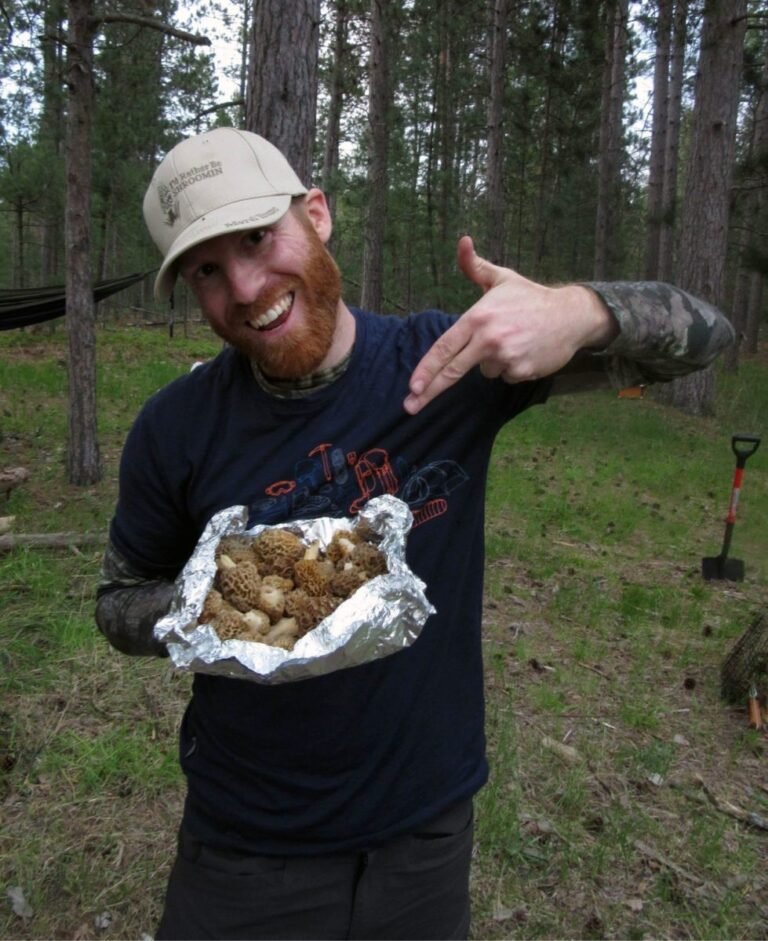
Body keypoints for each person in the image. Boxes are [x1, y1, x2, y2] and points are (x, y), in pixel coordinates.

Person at [96, 127, 734, 941]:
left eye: (259, 237)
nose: (248, 286)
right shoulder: (175, 430)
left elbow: (709, 337)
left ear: (317, 214)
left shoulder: (447, 366)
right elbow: (116, 603)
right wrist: (213, 603)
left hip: (423, 837)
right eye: (208, 270)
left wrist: (578, 311)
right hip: (247, 850)